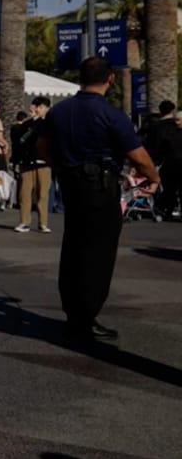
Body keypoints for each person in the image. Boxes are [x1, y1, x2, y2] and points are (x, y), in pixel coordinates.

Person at [39, 58, 161, 344]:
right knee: (98, 254)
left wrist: (62, 167)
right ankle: (86, 316)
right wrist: (153, 177)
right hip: (101, 187)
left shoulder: (59, 111)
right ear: (110, 79)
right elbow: (138, 155)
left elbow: (42, 147)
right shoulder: (111, 113)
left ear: (80, 78)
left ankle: (74, 314)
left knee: (73, 248)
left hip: (71, 185)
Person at [13, 96, 53, 233]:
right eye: (37, 107)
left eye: (42, 107)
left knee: (42, 194)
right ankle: (24, 221)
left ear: (47, 108)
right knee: (25, 192)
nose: (39, 110)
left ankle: (43, 223)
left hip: (44, 163)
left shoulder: (50, 123)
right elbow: (19, 140)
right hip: (27, 162)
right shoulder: (26, 125)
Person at [146, 100, 181, 219]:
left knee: (168, 187)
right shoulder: (173, 128)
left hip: (165, 162)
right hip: (171, 162)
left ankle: (166, 208)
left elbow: (151, 145)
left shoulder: (155, 126)